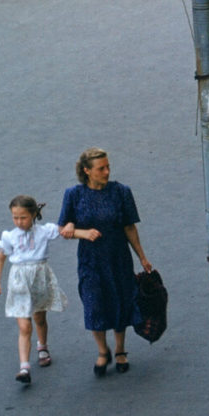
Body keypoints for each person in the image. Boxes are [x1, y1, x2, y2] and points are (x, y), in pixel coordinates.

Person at [59, 148, 153, 377]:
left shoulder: (121, 192)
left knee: (120, 300)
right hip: (90, 260)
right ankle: (103, 350)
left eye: (108, 166)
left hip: (118, 256)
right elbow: (63, 227)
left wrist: (141, 256)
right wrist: (77, 231)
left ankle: (120, 349)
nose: (107, 171)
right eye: (101, 168)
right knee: (94, 303)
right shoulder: (74, 195)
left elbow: (129, 226)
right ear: (87, 171)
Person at [0, 195, 99, 383]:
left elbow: (66, 232)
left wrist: (85, 233)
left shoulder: (44, 231)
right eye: (15, 217)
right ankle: (24, 368)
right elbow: (0, 257)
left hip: (39, 280)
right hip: (19, 283)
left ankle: (42, 346)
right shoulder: (9, 236)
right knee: (24, 326)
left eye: (23, 217)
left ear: (33, 215)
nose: (18, 222)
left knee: (39, 318)